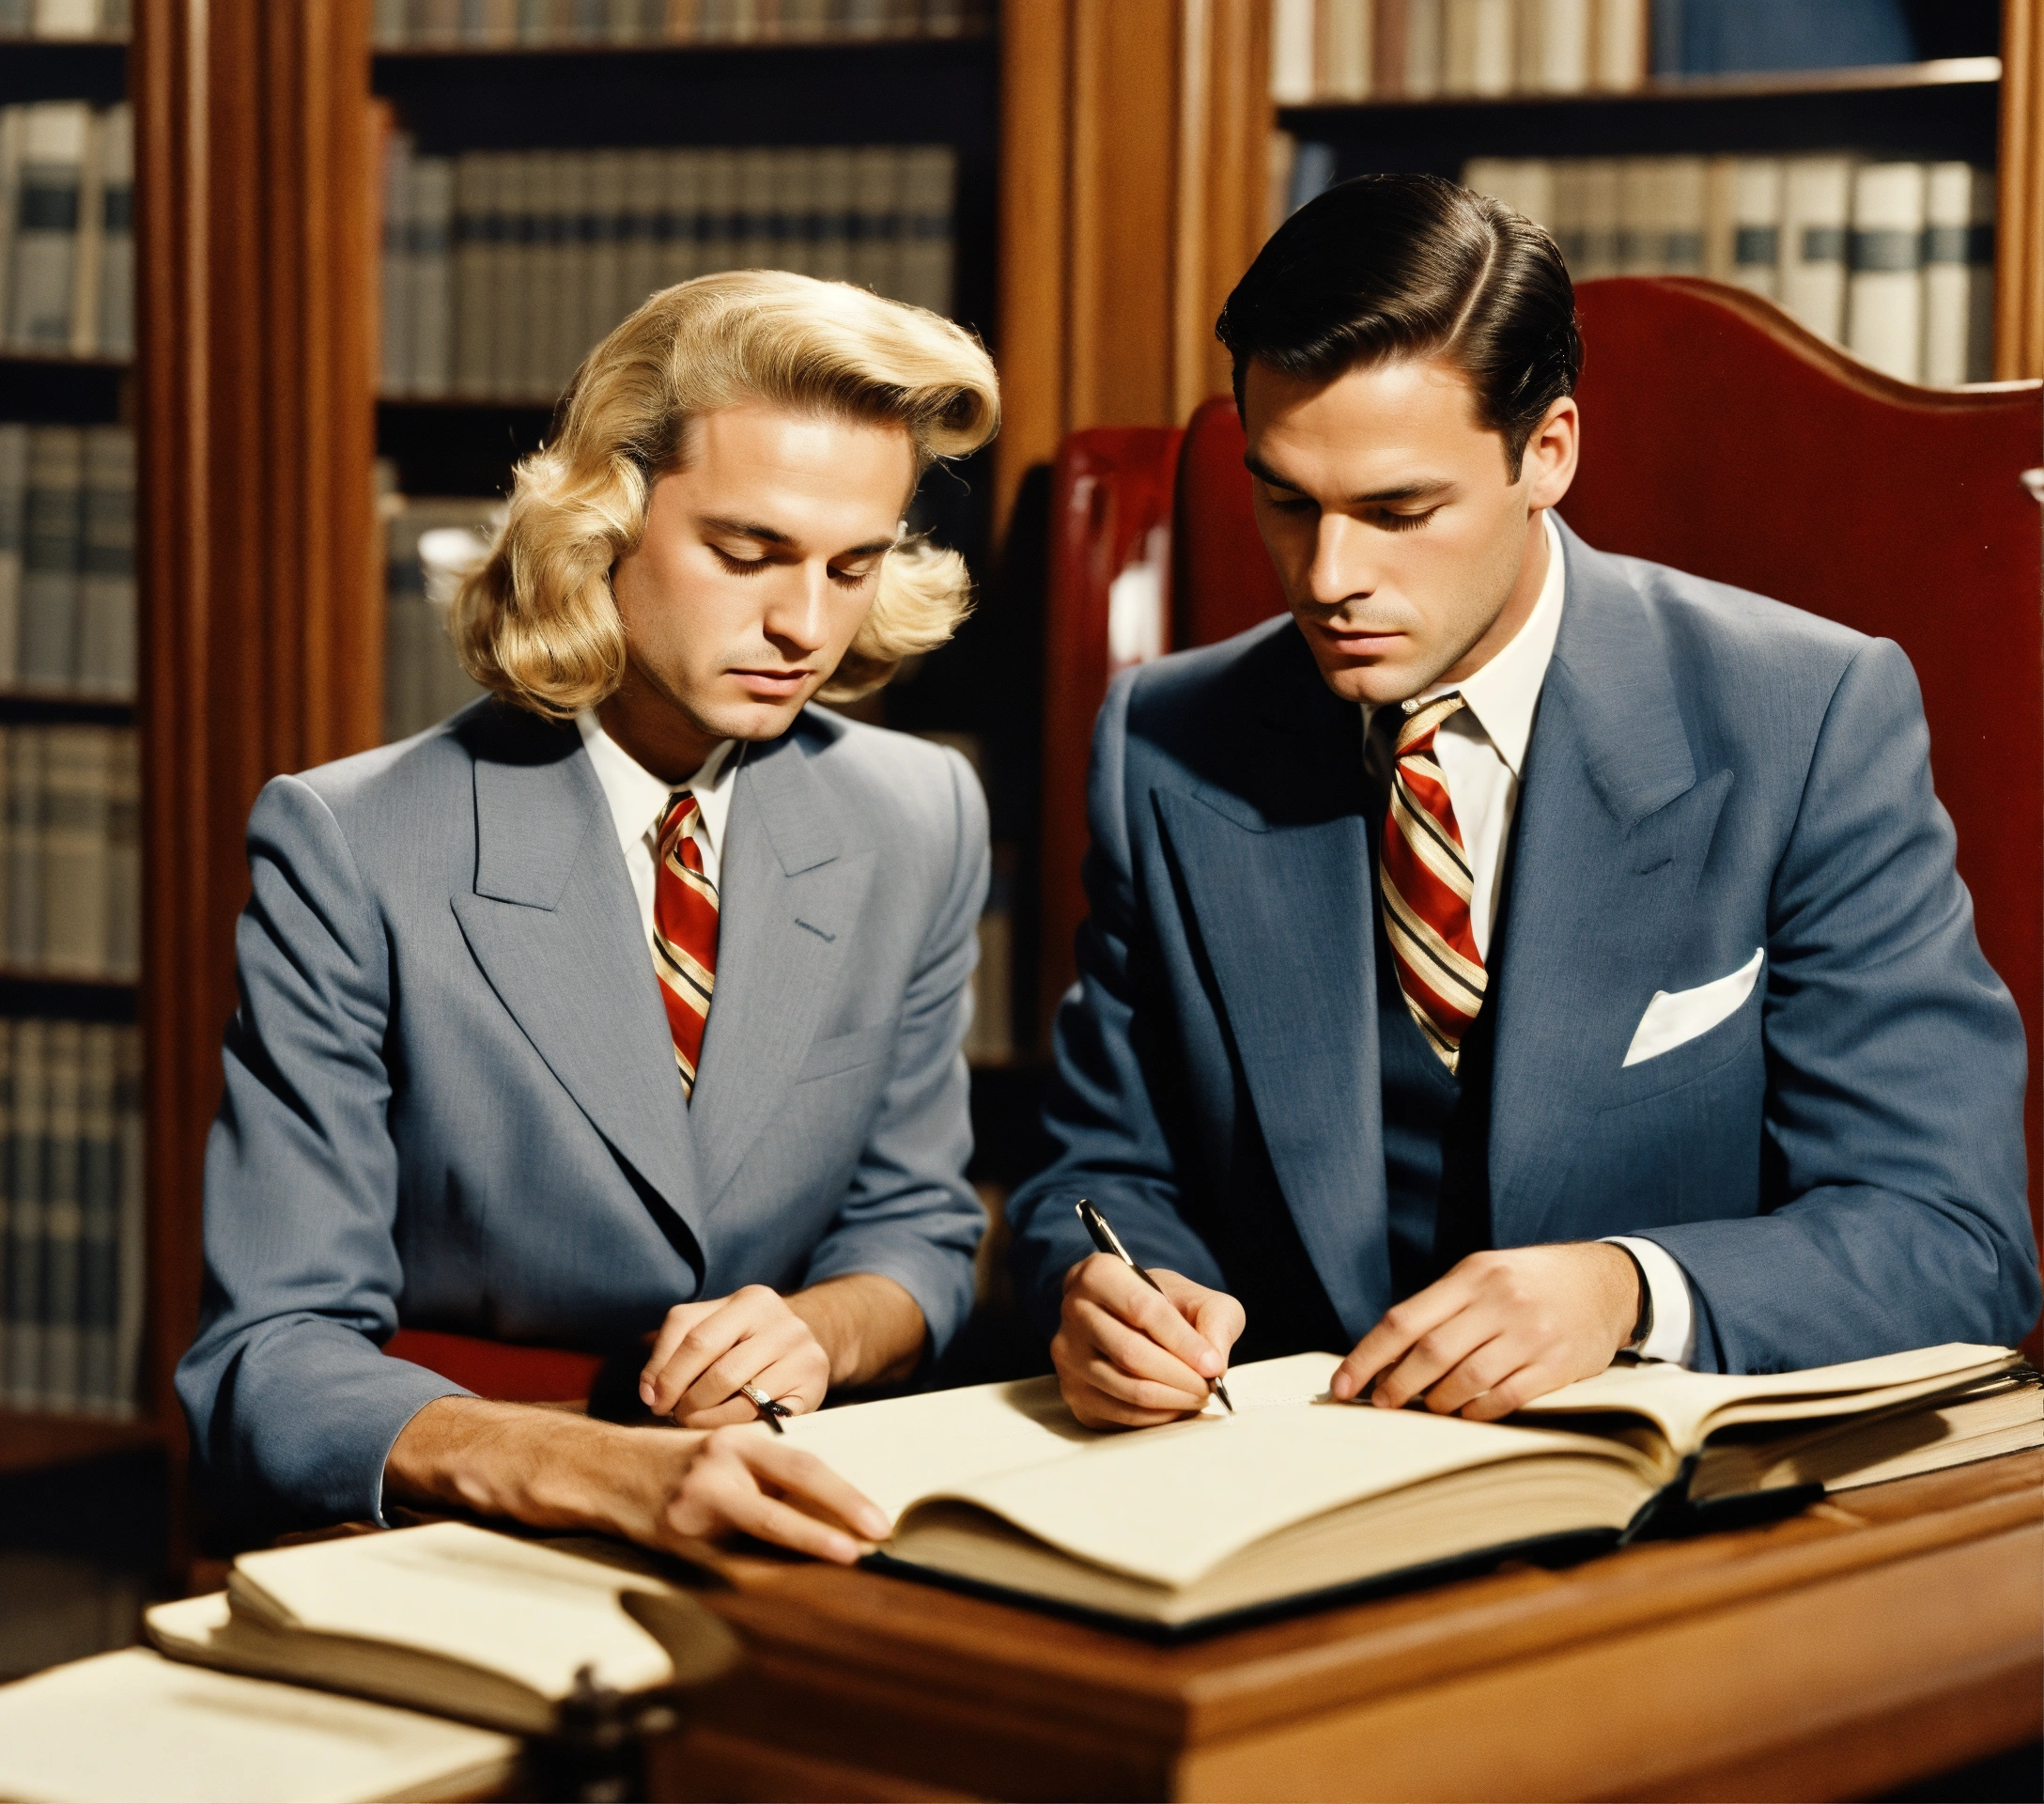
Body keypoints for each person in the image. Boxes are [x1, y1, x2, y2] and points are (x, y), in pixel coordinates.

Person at [1007, 174, 2040, 1431]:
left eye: (1399, 511)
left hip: (1662, 1498)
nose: (1329, 577)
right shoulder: (1166, 741)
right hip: (1279, 1479)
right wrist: (1114, 1289)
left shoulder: (1807, 717)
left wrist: (1627, 1290)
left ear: (1548, 452)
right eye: (1285, 500)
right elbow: (1098, 1170)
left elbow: (1955, 1238)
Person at [179, 272, 999, 1563]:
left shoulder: (922, 812)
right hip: (458, 1512)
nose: (804, 625)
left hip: (794, 1492)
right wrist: (599, 1469)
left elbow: (920, 1232)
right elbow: (266, 1356)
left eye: (852, 565)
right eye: (747, 553)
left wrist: (820, 1329)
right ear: (601, 518)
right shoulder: (349, 842)